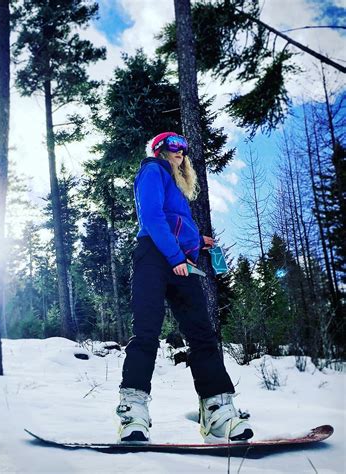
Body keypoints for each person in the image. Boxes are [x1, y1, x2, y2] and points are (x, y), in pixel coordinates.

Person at [116, 132, 253, 443]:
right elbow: (151, 217)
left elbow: (175, 221)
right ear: (160, 149)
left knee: (203, 335)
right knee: (147, 332)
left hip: (182, 260)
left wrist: (196, 241)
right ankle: (133, 414)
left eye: (183, 148)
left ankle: (217, 411)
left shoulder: (178, 186)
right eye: (172, 146)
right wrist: (177, 255)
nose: (179, 152)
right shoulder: (152, 169)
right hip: (154, 255)